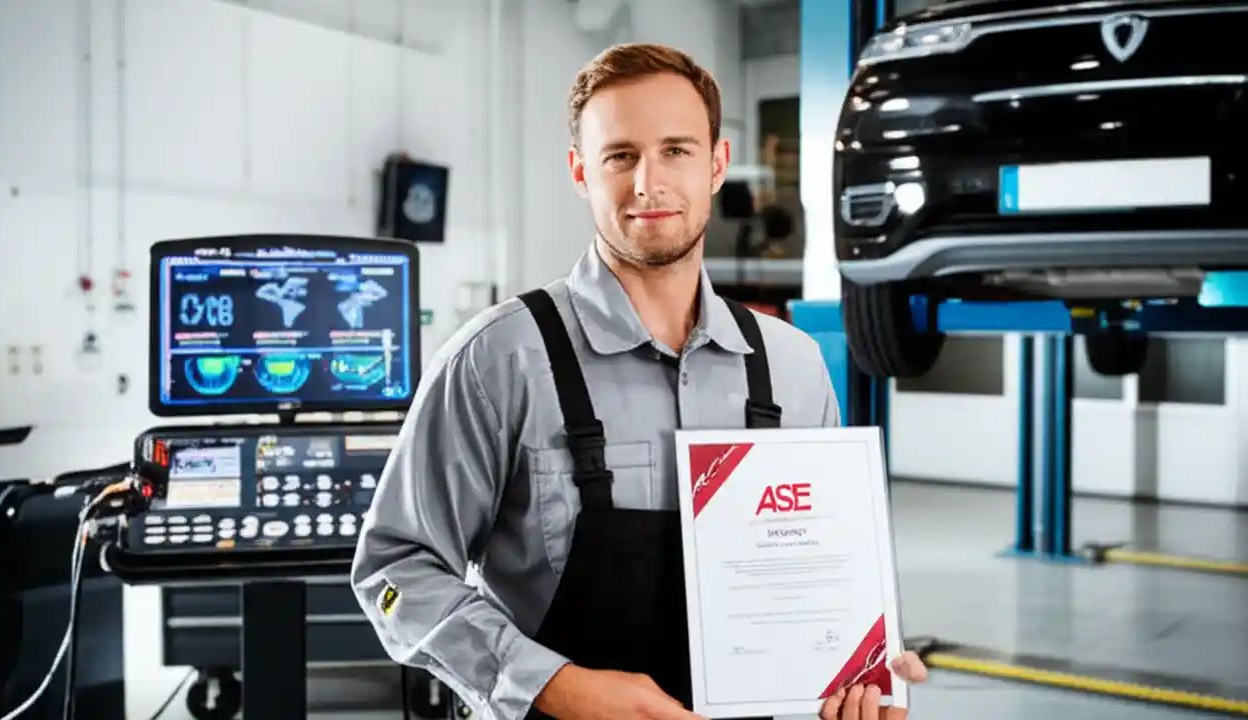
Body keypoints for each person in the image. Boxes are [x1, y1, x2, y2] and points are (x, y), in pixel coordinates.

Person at [352, 42, 928, 720]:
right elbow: (395, 569)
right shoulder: (497, 360)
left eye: (677, 151)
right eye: (620, 155)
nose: (647, 183)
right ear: (579, 172)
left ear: (717, 163)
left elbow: (825, 578)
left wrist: (862, 668)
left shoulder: (793, 367)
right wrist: (552, 684)